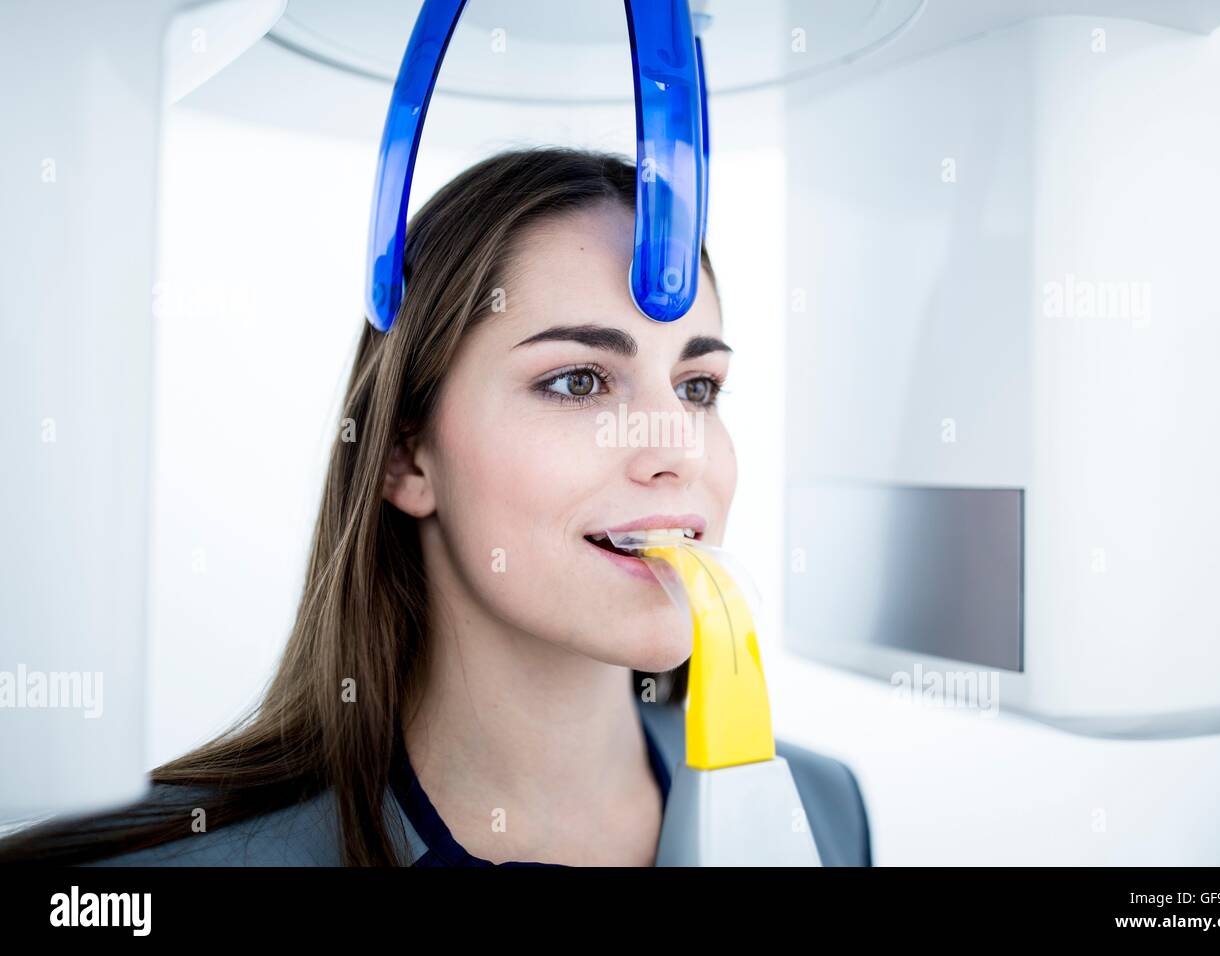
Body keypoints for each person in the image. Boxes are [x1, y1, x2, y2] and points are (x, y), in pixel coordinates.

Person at [0, 146, 872, 867]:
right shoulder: (138, 873)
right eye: (578, 381)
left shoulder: (824, 815)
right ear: (404, 456)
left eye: (696, 386)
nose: (676, 449)